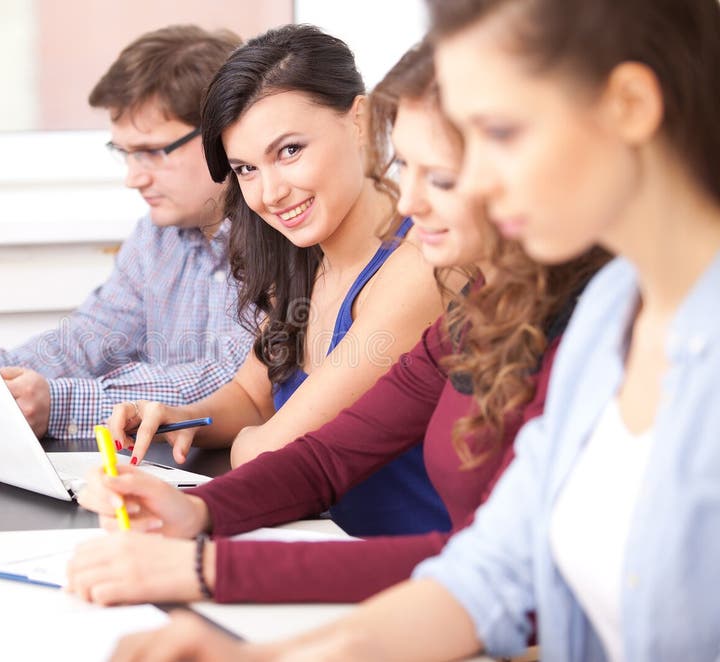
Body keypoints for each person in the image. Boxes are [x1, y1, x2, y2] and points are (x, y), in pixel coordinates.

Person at [107, 0, 720, 659]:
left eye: (499, 133)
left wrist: (212, 569)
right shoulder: (609, 313)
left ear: (629, 105)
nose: (455, 188)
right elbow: (489, 573)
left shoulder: (586, 313)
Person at [66, 39, 607, 606]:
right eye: (248, 168)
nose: (409, 200)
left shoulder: (440, 277)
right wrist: (196, 505)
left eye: (439, 176)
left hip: (420, 587)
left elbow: (494, 565)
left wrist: (208, 563)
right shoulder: (473, 312)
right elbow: (318, 455)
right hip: (406, 584)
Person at [106, 24, 451, 537]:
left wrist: (245, 441)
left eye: (289, 151)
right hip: (314, 540)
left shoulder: (416, 270)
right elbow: (253, 394)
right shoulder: (305, 256)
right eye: (246, 168)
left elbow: (271, 454)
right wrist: (180, 415)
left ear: (359, 122)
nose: (269, 193)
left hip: (398, 567)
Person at [0, 25, 255, 440]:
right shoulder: (156, 238)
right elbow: (87, 339)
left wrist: (60, 403)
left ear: (220, 135)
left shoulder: (278, 239)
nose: (133, 179)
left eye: (149, 152)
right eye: (124, 155)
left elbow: (234, 382)